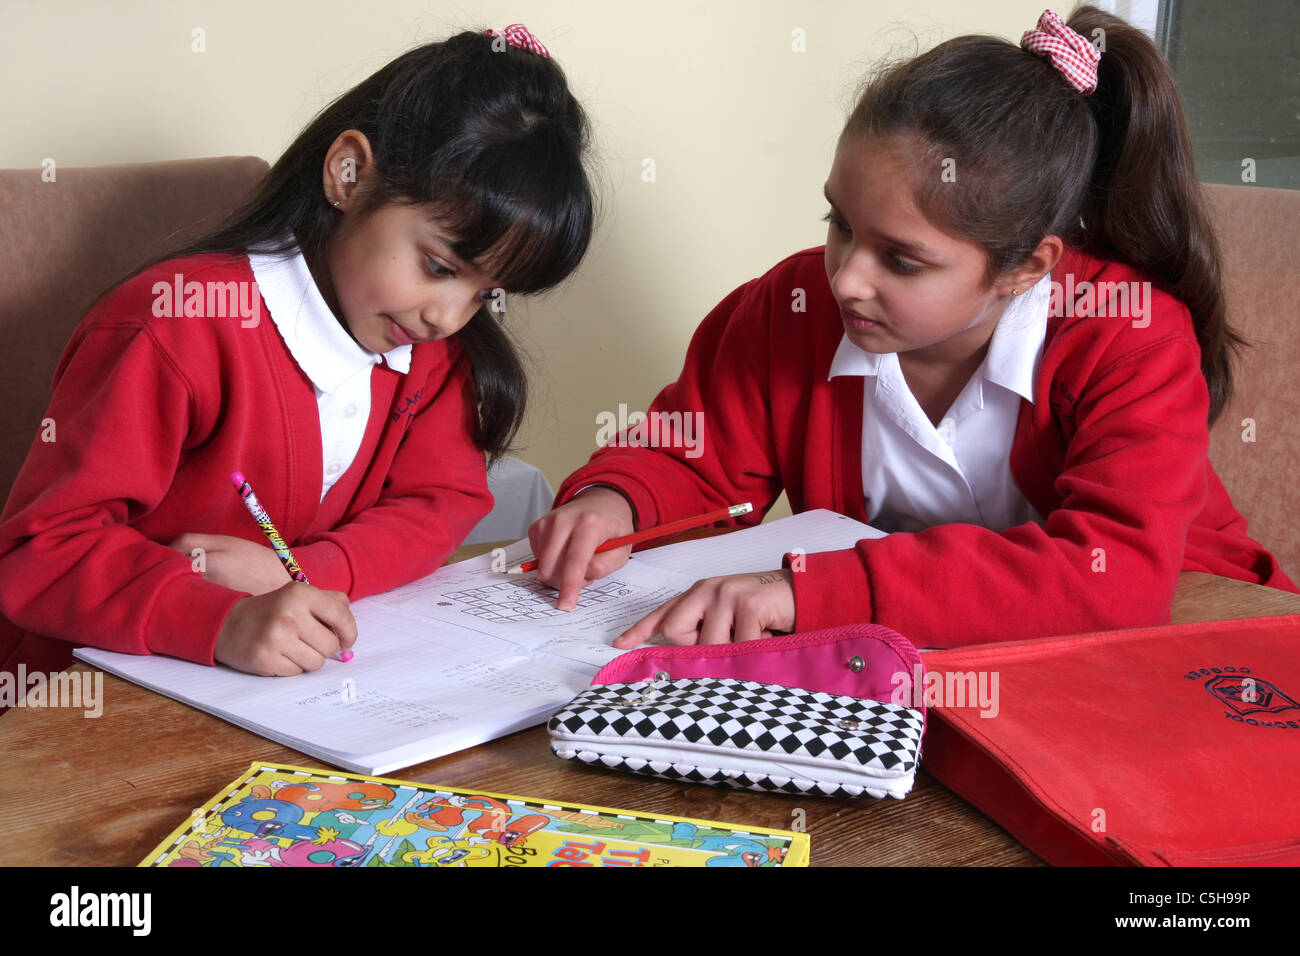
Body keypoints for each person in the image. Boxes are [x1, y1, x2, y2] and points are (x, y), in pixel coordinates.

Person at [528, 7, 1297, 650]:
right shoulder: (791, 306)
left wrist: (817, 591)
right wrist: (619, 500)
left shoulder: (1129, 337)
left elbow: (1113, 580)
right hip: (920, 665)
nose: (846, 278)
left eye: (902, 259)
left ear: (1027, 267)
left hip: (1178, 651)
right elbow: (698, 460)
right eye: (840, 222)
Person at [0, 25, 595, 692]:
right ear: (349, 174)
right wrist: (219, 619)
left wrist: (307, 572)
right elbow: (40, 553)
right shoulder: (175, 326)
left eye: (486, 294)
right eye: (437, 266)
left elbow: (441, 502)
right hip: (80, 704)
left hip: (274, 701)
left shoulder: (428, 348)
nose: (448, 317)